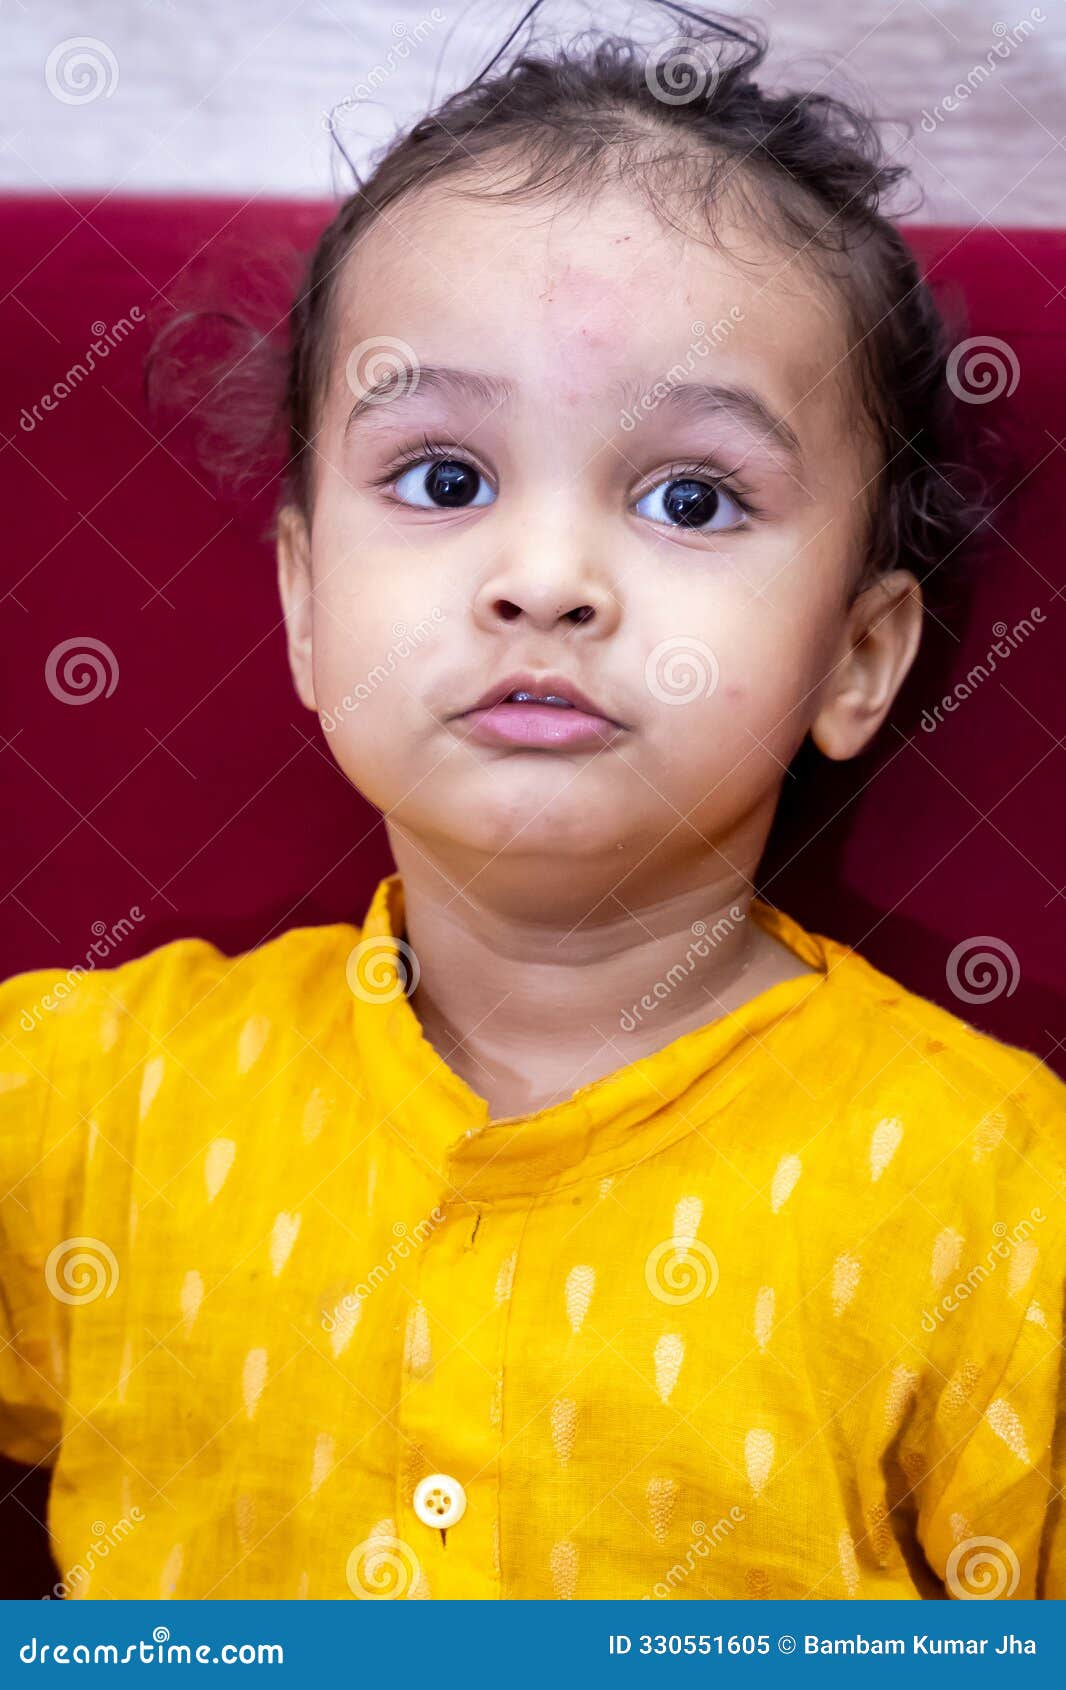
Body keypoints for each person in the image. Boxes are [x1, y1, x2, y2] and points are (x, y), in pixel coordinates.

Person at [2, 7, 1063, 1601]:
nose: (547, 581)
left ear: (854, 657)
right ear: (303, 605)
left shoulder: (995, 1202)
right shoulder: (87, 1109)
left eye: (688, 497)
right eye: (442, 478)